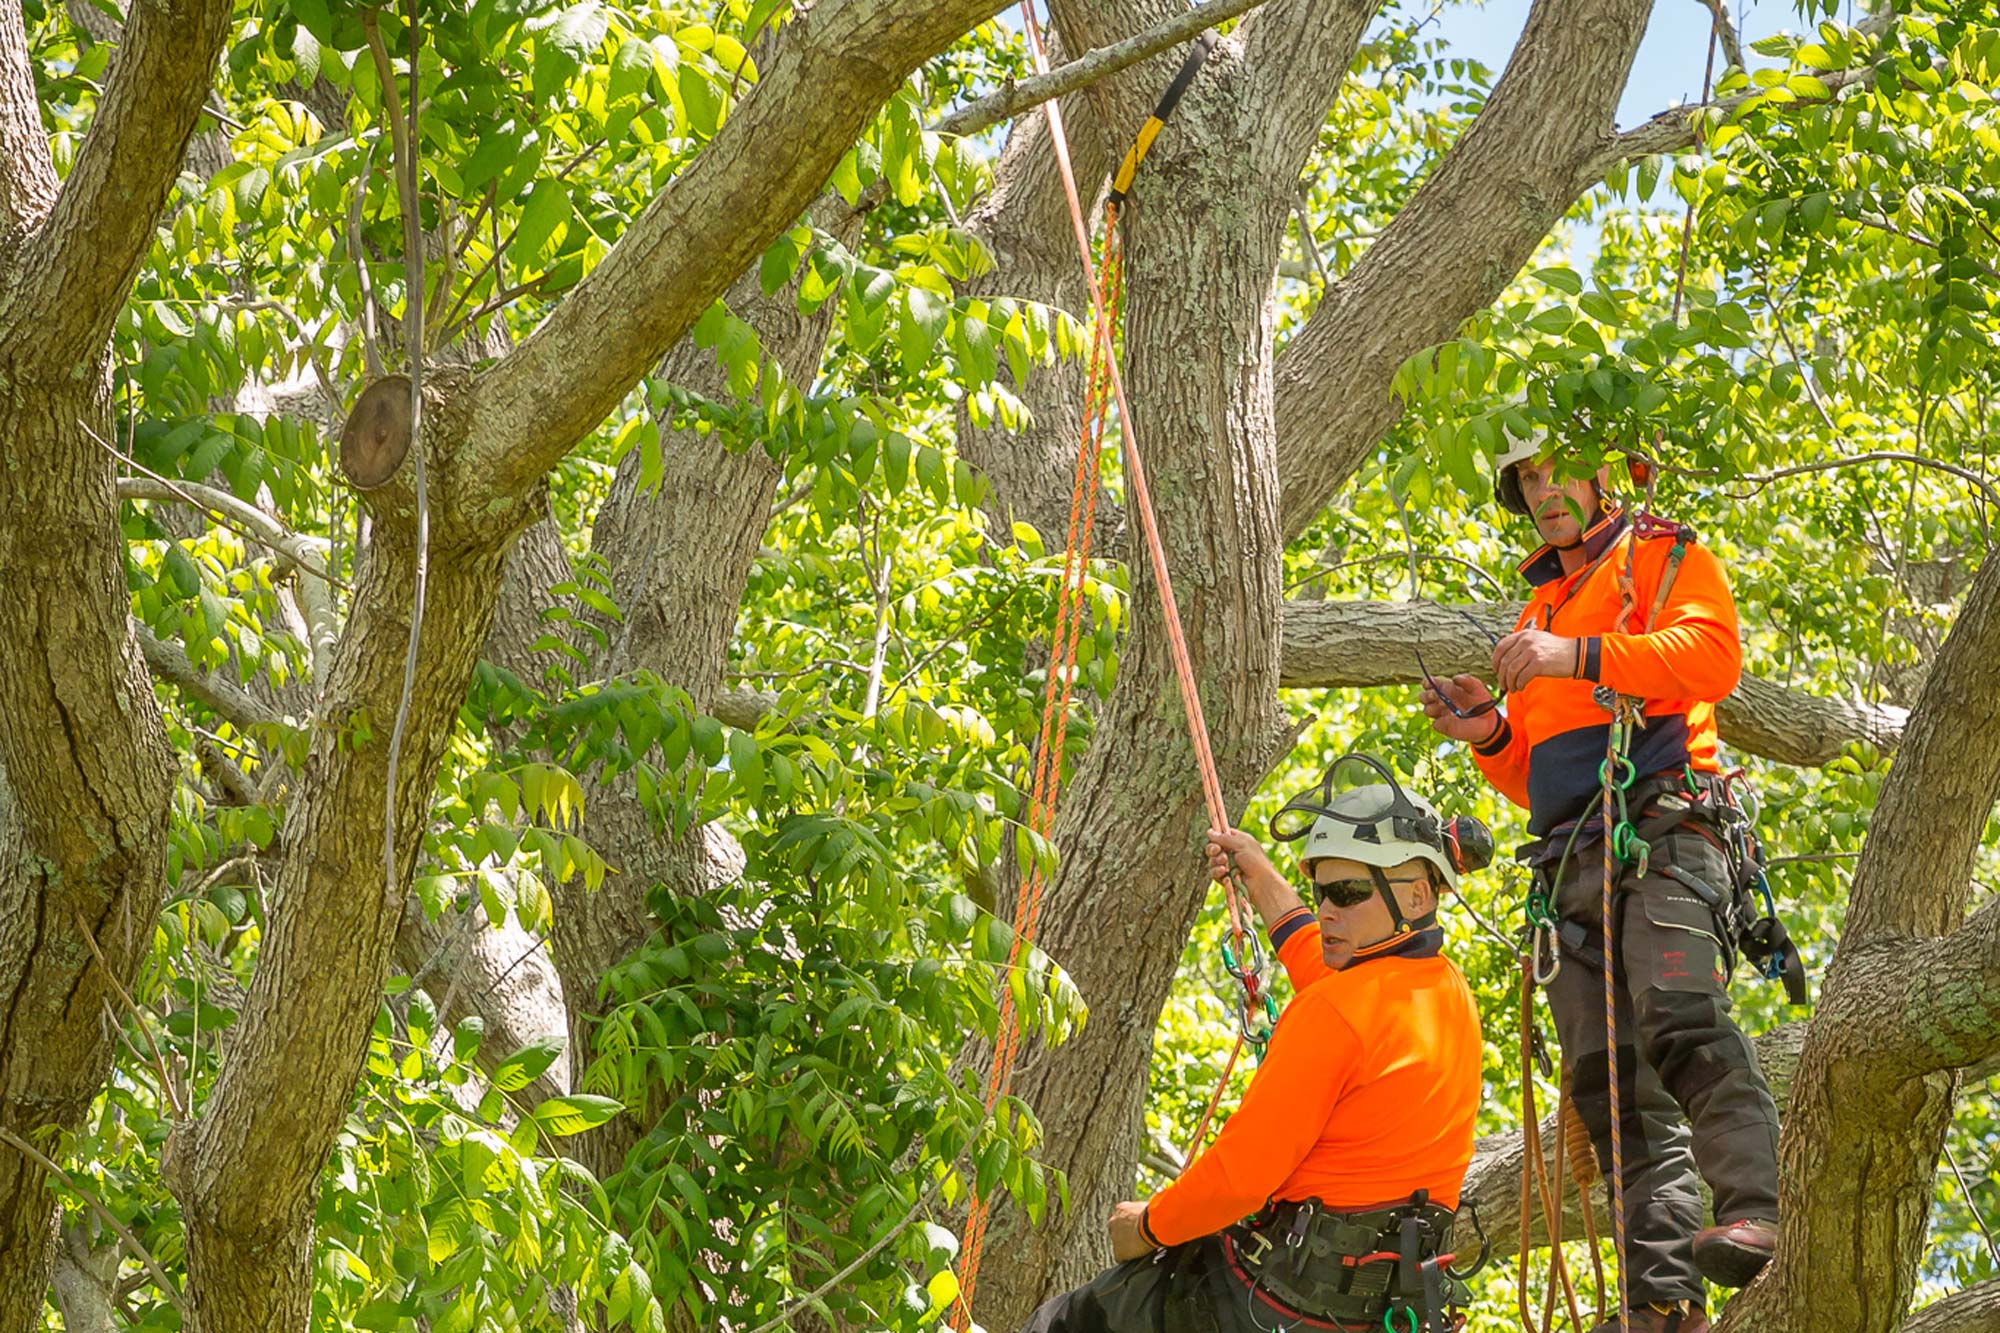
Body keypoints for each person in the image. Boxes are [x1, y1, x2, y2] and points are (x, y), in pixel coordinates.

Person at [1420, 437, 1782, 1333]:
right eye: (1528, 481)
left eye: (1554, 472)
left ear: (1602, 473)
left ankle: (1758, 1210)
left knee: (1680, 1019)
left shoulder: (1661, 559)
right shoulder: (1548, 603)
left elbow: (1710, 660)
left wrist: (1573, 655)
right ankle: (1662, 1306)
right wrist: (1492, 734)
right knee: (1611, 1090)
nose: (1542, 491)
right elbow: (1547, 777)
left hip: (1659, 830)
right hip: (1572, 860)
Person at [1022, 758, 1489, 1333]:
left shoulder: (1335, 1013)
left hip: (1277, 1301)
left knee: (1064, 1324)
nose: (1326, 911)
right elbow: (1323, 961)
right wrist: (1260, 875)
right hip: (1381, 1308)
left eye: (1346, 892)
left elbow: (1241, 1178)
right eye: (1321, 891)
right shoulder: (1443, 991)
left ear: (1417, 897)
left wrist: (1146, 1226)